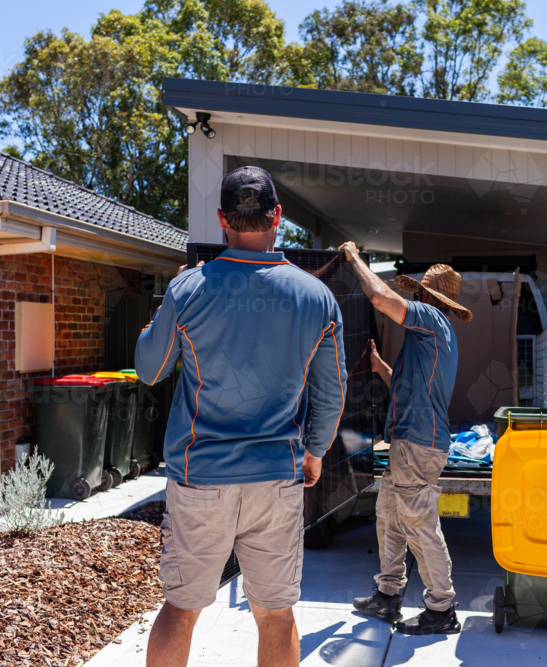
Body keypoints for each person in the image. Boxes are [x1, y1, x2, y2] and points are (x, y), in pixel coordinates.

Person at [137, 166, 347, 667]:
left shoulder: (188, 290)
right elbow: (332, 394)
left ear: (220, 220)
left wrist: (157, 321)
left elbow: (150, 369)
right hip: (277, 478)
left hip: (199, 475)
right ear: (277, 216)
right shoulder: (316, 297)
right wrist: (314, 453)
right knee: (276, 614)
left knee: (182, 608)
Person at [340, 242, 471, 636]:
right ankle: (387, 594)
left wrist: (353, 258)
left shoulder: (430, 318)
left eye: (418, 292)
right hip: (409, 441)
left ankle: (441, 607)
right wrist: (380, 366)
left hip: (419, 443)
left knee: (419, 523)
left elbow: (381, 298)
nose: (414, 295)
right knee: (389, 514)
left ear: (429, 296)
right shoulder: (435, 336)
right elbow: (409, 387)